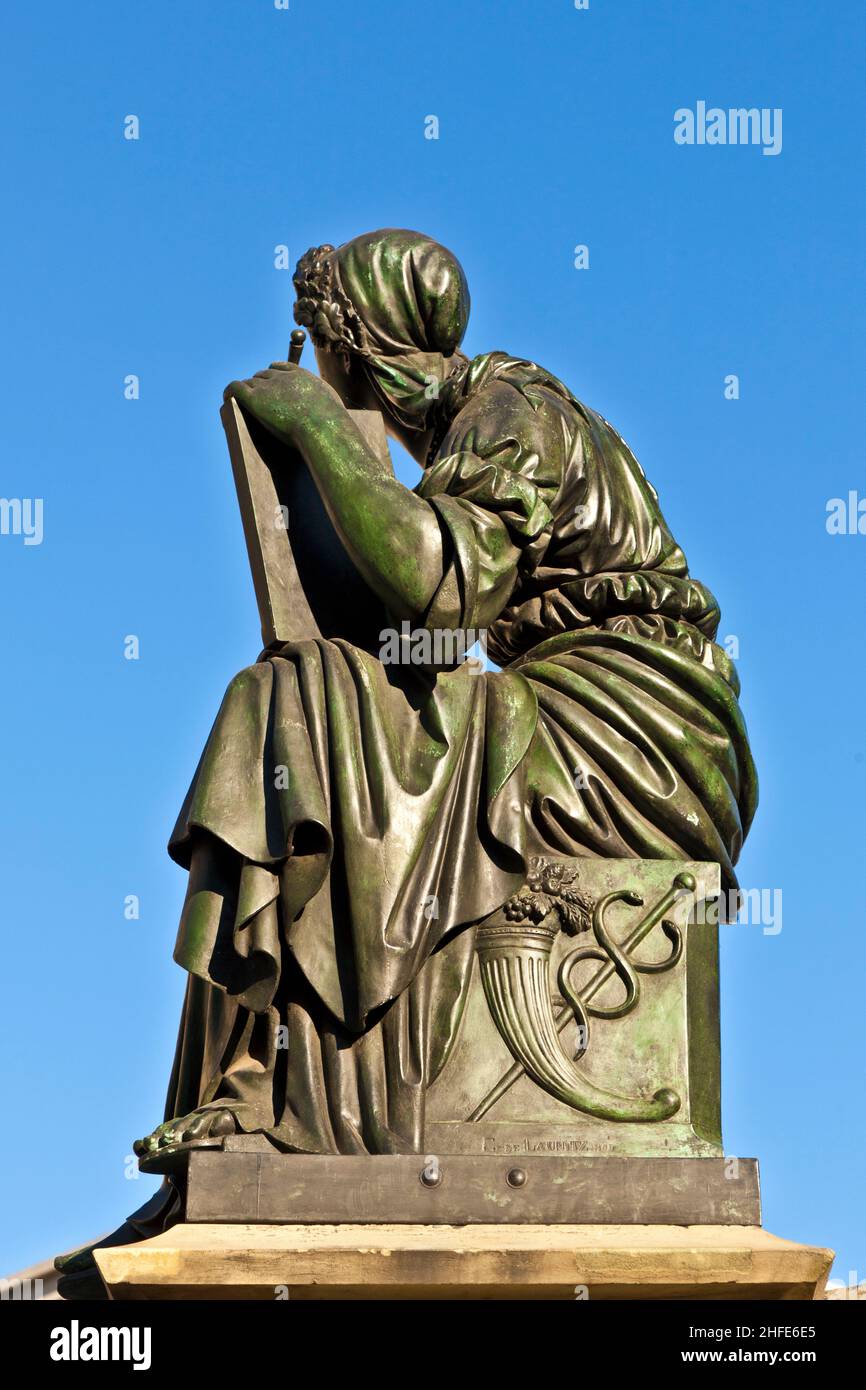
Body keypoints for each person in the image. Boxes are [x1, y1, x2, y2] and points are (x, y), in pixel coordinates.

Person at [135, 228, 757, 1159]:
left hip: (640, 734)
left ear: (356, 351)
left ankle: (266, 1088)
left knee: (295, 704)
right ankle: (248, 1079)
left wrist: (311, 430)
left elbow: (447, 587)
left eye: (330, 358)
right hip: (583, 707)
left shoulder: (513, 409)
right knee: (306, 698)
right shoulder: (482, 420)